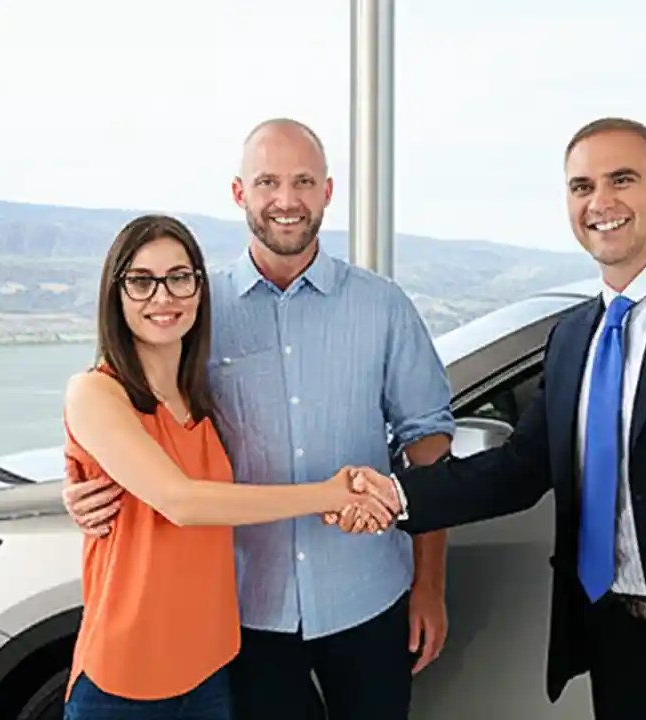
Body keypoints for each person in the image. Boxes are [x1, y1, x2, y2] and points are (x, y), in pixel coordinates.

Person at [344, 117, 646, 719]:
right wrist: (394, 495)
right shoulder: (574, 335)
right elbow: (518, 470)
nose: (600, 202)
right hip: (615, 640)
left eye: (621, 179)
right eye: (582, 187)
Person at [63, 119, 456, 720]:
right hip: (243, 615)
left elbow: (426, 444)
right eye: (268, 181)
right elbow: (127, 407)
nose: (286, 199)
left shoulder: (383, 307)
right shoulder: (194, 310)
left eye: (303, 181)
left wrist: (430, 585)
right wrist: (82, 484)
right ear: (239, 193)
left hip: (370, 598)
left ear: (327, 192)